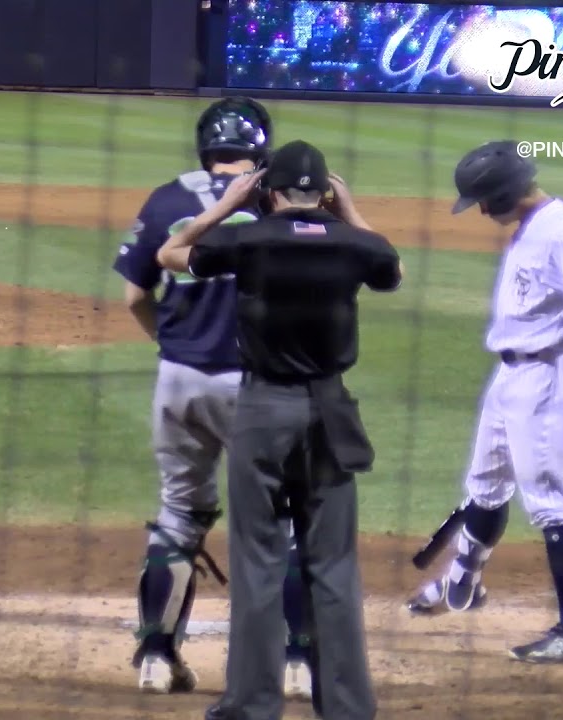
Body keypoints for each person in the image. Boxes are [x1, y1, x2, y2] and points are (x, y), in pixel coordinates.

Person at [157, 140, 403, 720]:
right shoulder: (354, 244)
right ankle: (347, 706)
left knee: (258, 560)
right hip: (331, 412)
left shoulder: (248, 238)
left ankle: (252, 702)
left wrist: (226, 206)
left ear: (267, 193)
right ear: (323, 192)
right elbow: (391, 267)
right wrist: (348, 211)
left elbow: (171, 252)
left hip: (265, 411)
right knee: (334, 563)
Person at [114, 98, 316, 700]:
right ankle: (296, 663)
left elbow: (133, 295)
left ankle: (155, 656)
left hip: (178, 380)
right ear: (262, 147)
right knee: (288, 522)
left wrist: (172, 345)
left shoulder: (167, 198)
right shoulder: (275, 198)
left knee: (178, 514)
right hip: (255, 384)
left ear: (205, 145)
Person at [404, 140, 563, 664]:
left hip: (549, 377)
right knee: (484, 487)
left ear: (506, 191)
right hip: (509, 376)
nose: (482, 210)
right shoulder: (529, 228)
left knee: (550, 504)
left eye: (484, 199)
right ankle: (464, 578)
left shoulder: (562, 231)